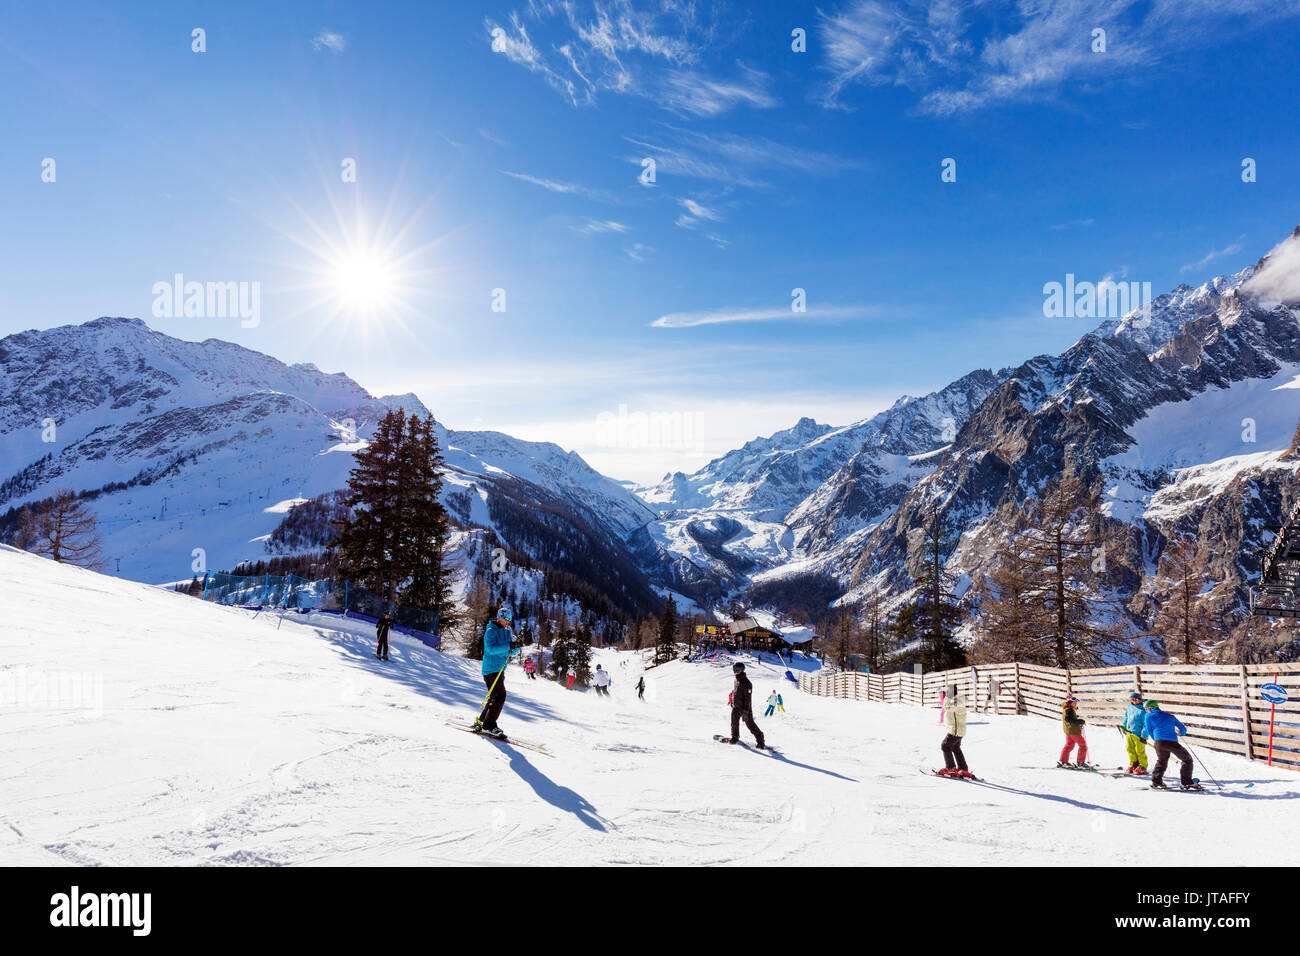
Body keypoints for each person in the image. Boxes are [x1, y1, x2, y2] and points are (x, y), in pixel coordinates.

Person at [474, 607, 517, 740]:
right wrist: (509, 646)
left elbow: (510, 652)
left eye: (510, 619)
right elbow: (491, 649)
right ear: (499, 617)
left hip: (500, 669)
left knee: (494, 696)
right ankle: (489, 725)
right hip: (491, 669)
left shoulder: (506, 631)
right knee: (499, 696)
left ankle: (482, 721)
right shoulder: (491, 631)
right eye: (506, 619)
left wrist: (516, 646)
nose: (508, 622)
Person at [1143, 700, 1200, 790]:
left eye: (1147, 709)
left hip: (1159, 742)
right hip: (1172, 742)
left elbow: (1149, 731)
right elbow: (1183, 729)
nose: (1147, 711)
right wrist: (1180, 733)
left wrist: (1157, 740)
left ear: (1152, 707)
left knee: (1161, 761)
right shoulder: (1170, 716)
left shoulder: (1148, 716)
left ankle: (1156, 782)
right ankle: (1186, 783)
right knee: (1187, 760)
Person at [726, 662, 765, 748]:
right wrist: (732, 702)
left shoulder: (747, 683)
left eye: (736, 670)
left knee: (750, 724)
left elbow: (748, 698)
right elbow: (735, 693)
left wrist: (746, 710)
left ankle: (760, 739)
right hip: (736, 706)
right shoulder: (736, 680)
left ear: (741, 670)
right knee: (734, 722)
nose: (734, 671)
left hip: (745, 708)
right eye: (734, 669)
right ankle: (735, 737)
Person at [939, 684, 972, 777]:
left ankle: (950, 768)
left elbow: (947, 707)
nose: (947, 693)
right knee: (955, 748)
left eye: (948, 691)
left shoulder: (957, 701)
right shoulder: (958, 699)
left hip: (955, 730)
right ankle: (963, 768)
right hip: (958, 729)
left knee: (945, 745)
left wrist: (946, 698)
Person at [1120, 691, 1149, 774]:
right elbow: (1126, 718)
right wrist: (1124, 727)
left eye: (1135, 699)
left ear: (1139, 699)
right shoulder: (1129, 707)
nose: (1134, 701)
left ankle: (1143, 765)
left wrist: (1144, 735)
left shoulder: (1143, 709)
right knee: (1130, 748)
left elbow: (1146, 724)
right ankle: (1134, 763)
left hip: (1138, 734)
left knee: (1139, 750)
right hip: (1129, 732)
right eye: (1132, 699)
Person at [1058, 694, 1088, 767]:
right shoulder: (1069, 710)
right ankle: (1080, 763)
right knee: (1083, 746)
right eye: (1074, 702)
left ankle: (1063, 761)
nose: (1076, 704)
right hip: (1073, 731)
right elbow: (1069, 719)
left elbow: (1070, 718)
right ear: (1070, 703)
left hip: (1069, 731)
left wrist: (1077, 720)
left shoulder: (1067, 708)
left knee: (1069, 745)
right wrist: (1079, 721)